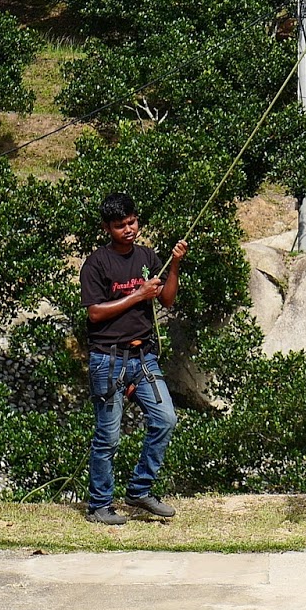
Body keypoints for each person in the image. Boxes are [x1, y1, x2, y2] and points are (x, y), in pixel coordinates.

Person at [81, 192, 188, 525]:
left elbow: (167, 301)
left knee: (165, 419)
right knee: (108, 436)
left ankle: (140, 490)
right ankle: (99, 506)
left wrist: (175, 264)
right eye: (119, 225)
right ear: (107, 228)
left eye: (132, 222)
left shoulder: (147, 256)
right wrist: (137, 295)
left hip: (144, 357)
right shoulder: (97, 263)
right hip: (107, 360)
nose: (128, 229)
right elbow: (95, 313)